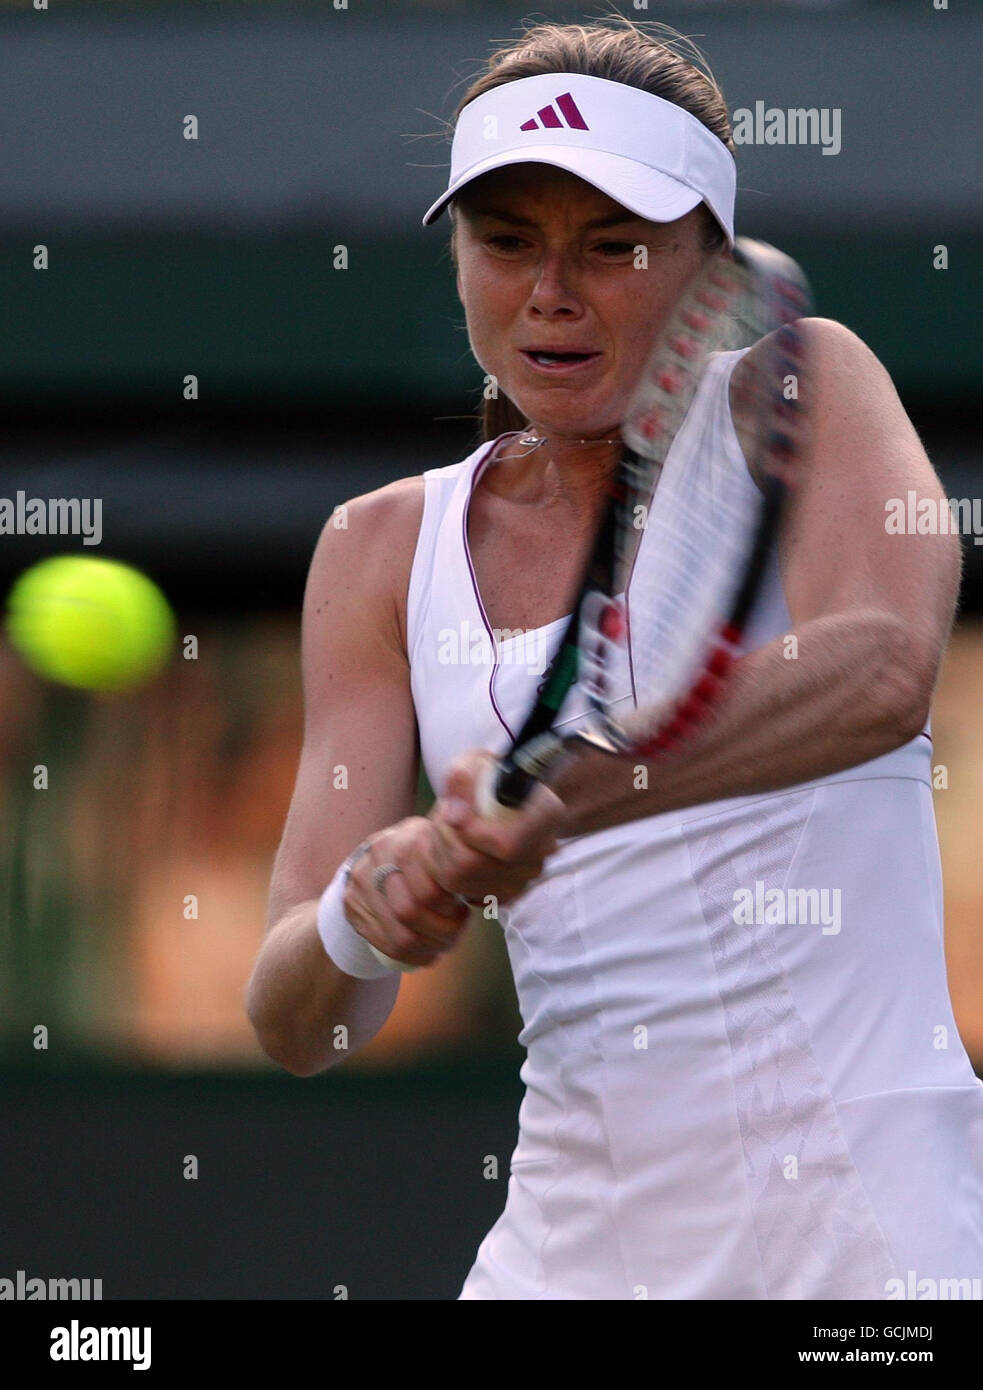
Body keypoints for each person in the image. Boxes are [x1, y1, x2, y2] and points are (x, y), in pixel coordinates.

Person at [246, 18, 983, 1299]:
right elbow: (293, 1017)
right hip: (568, 1261)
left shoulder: (799, 390)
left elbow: (879, 668)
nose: (552, 292)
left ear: (708, 264)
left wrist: (553, 793)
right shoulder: (374, 549)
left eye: (613, 245)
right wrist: (366, 921)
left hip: (865, 1250)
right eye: (507, 241)